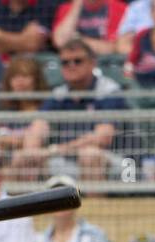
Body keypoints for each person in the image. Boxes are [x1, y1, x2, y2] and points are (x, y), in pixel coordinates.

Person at [38, 40, 129, 181]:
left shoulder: (109, 90)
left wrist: (56, 150)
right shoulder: (59, 94)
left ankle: (95, 204)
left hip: (122, 164)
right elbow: (37, 129)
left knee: (90, 155)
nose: (71, 66)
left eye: (78, 61)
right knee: (25, 157)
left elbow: (101, 138)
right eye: (65, 62)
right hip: (66, 159)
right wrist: (32, 150)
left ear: (92, 63)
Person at [24, 175, 114, 242]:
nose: (60, 202)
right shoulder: (38, 240)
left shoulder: (95, 235)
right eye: (53, 198)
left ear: (76, 201)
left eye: (64, 197)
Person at [53, 0, 126, 53]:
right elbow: (60, 42)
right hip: (77, 60)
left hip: (106, 62)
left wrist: (77, 39)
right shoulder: (67, 8)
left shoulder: (118, 7)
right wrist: (77, 5)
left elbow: (112, 48)